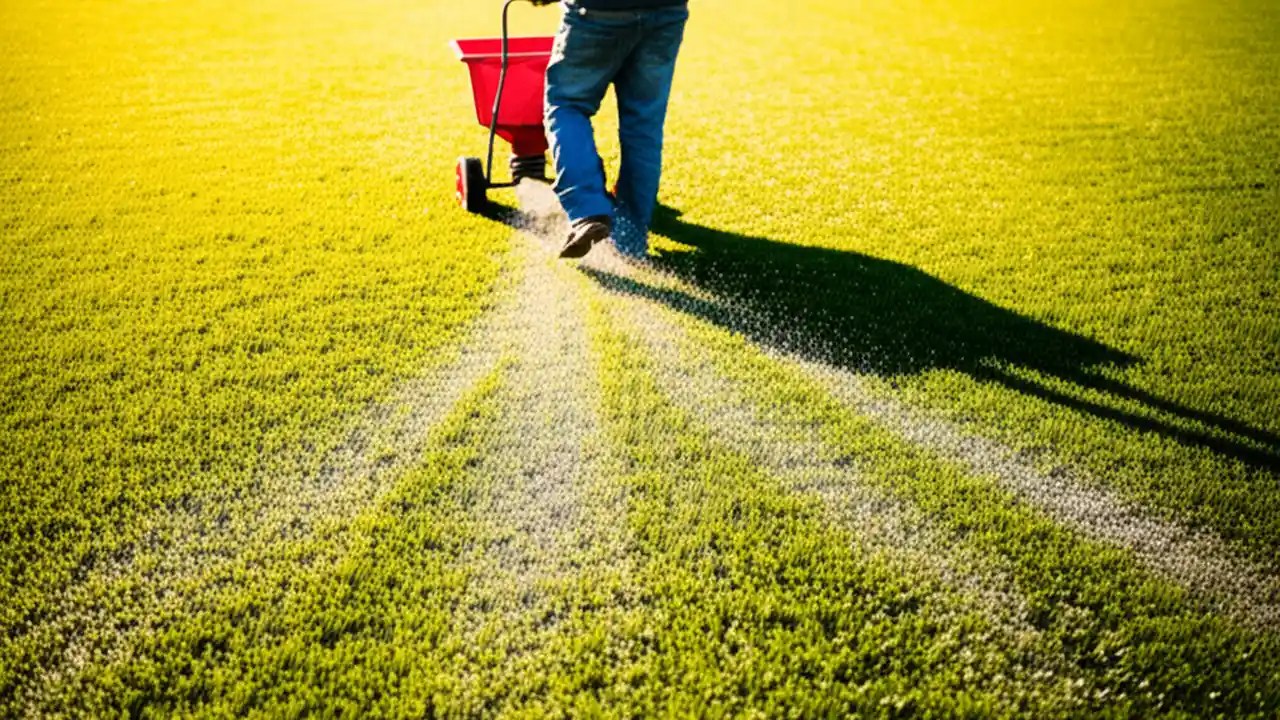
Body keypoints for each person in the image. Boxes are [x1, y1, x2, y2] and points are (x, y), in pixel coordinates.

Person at [533, 0, 689, 258]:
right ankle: (629, 242)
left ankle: (588, 209)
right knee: (643, 126)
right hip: (666, 12)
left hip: (598, 11)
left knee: (567, 105)